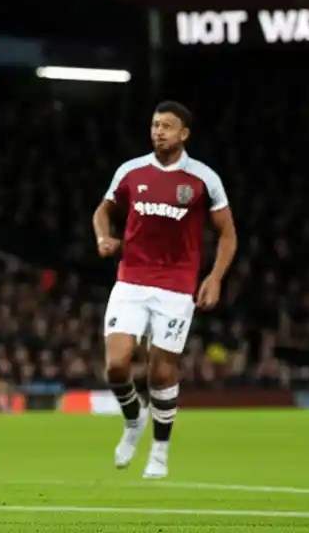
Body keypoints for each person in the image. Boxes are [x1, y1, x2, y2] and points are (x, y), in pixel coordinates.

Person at [93, 100, 236, 479]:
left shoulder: (204, 179)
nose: (158, 131)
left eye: (167, 126)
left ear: (183, 134)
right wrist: (103, 237)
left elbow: (228, 234)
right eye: (155, 124)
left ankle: (160, 449)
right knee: (116, 364)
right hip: (131, 279)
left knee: (161, 372)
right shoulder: (131, 171)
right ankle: (133, 420)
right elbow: (102, 211)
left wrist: (216, 276)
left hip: (176, 285)